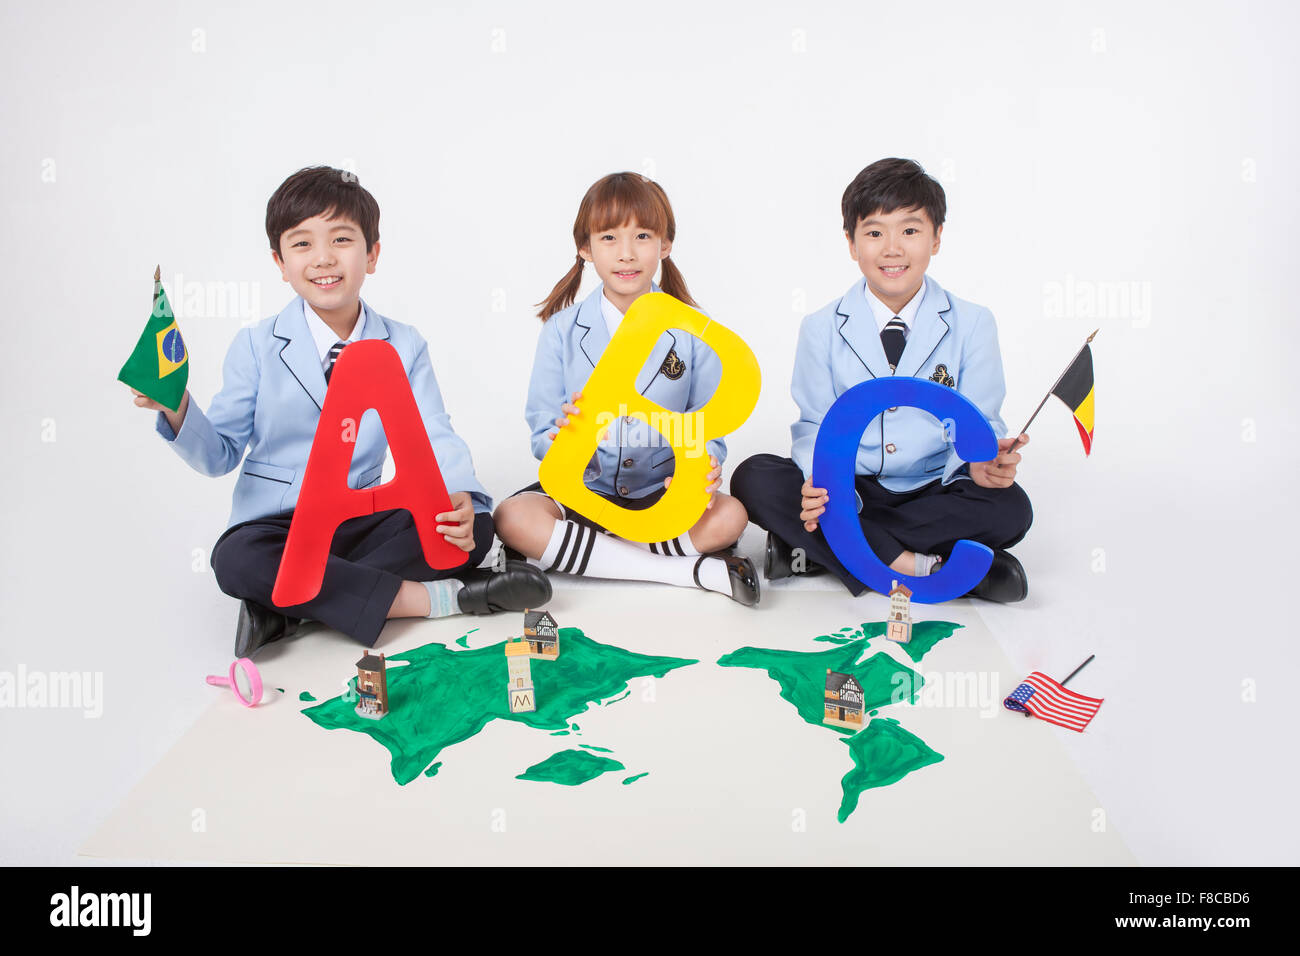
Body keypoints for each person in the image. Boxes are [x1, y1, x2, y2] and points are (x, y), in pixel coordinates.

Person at [131, 166, 549, 656]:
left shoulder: (403, 343)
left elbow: (434, 433)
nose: (324, 258)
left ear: (371, 254)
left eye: (342, 240)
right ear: (280, 262)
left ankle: (289, 606)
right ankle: (441, 599)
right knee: (235, 560)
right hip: (276, 527)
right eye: (302, 244)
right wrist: (177, 407)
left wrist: (461, 496)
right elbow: (219, 454)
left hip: (355, 520)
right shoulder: (255, 345)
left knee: (473, 532)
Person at [730, 158, 1033, 603]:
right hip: (852, 490)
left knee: (1012, 510)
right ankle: (921, 567)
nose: (892, 249)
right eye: (874, 233)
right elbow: (814, 424)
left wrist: (982, 466)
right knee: (754, 477)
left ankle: (818, 554)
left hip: (935, 488)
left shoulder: (973, 323)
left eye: (909, 231)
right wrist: (822, 486)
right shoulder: (820, 326)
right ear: (852, 244)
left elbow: (981, 420)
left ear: (937, 237)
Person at [493, 172, 759, 605]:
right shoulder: (561, 331)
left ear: (665, 245)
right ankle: (687, 574)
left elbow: (709, 426)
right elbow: (542, 427)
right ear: (585, 248)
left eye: (642, 235)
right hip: (584, 489)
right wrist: (559, 437)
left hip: (659, 490)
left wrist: (702, 468)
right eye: (609, 238)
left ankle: (590, 558)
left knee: (731, 516)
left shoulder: (694, 333)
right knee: (512, 516)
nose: (627, 254)